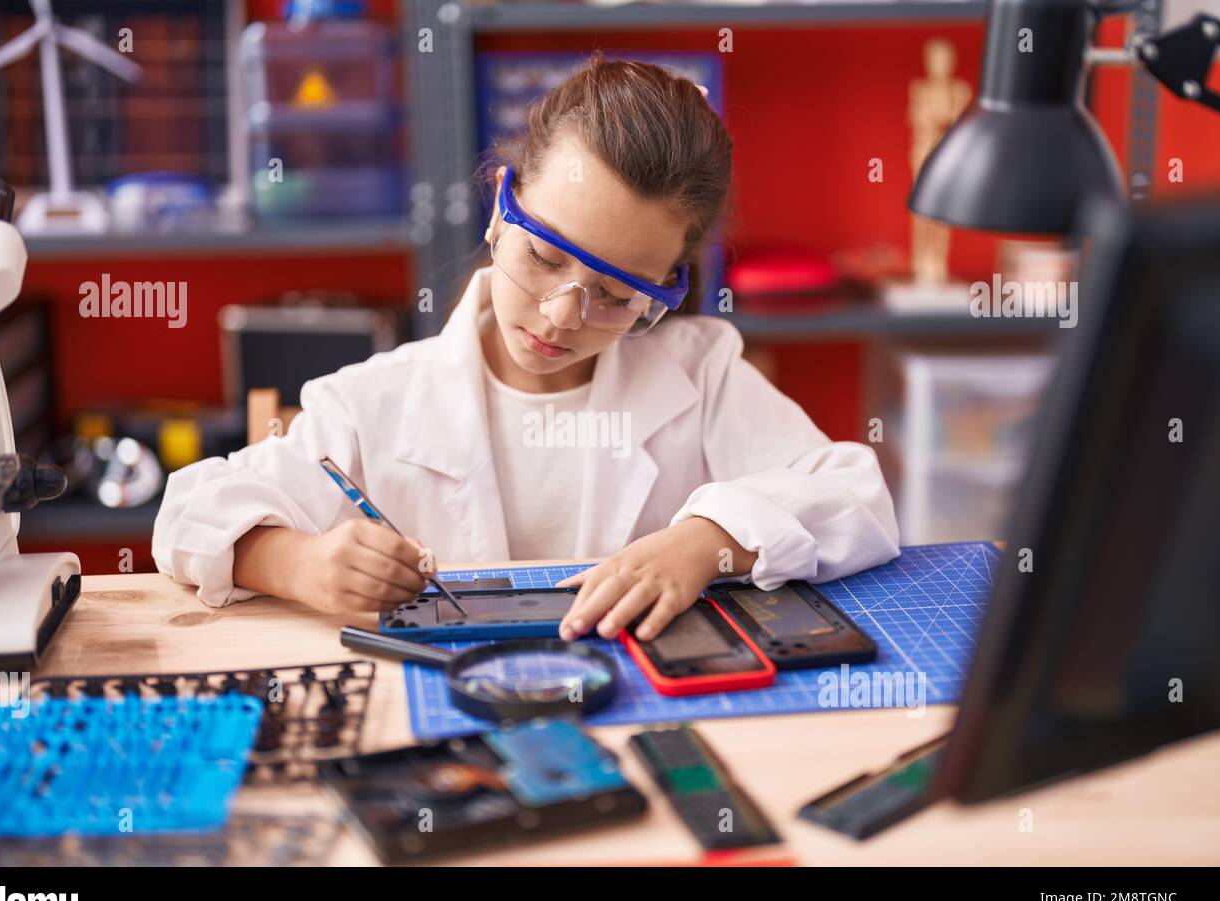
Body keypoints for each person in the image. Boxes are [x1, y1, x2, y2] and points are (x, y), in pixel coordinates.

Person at [152, 55, 900, 643]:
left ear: (666, 286)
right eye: (544, 257)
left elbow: (859, 498)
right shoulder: (372, 403)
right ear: (500, 206)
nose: (561, 314)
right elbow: (184, 515)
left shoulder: (700, 375)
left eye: (614, 293)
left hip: (645, 710)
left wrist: (709, 542)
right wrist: (298, 563)